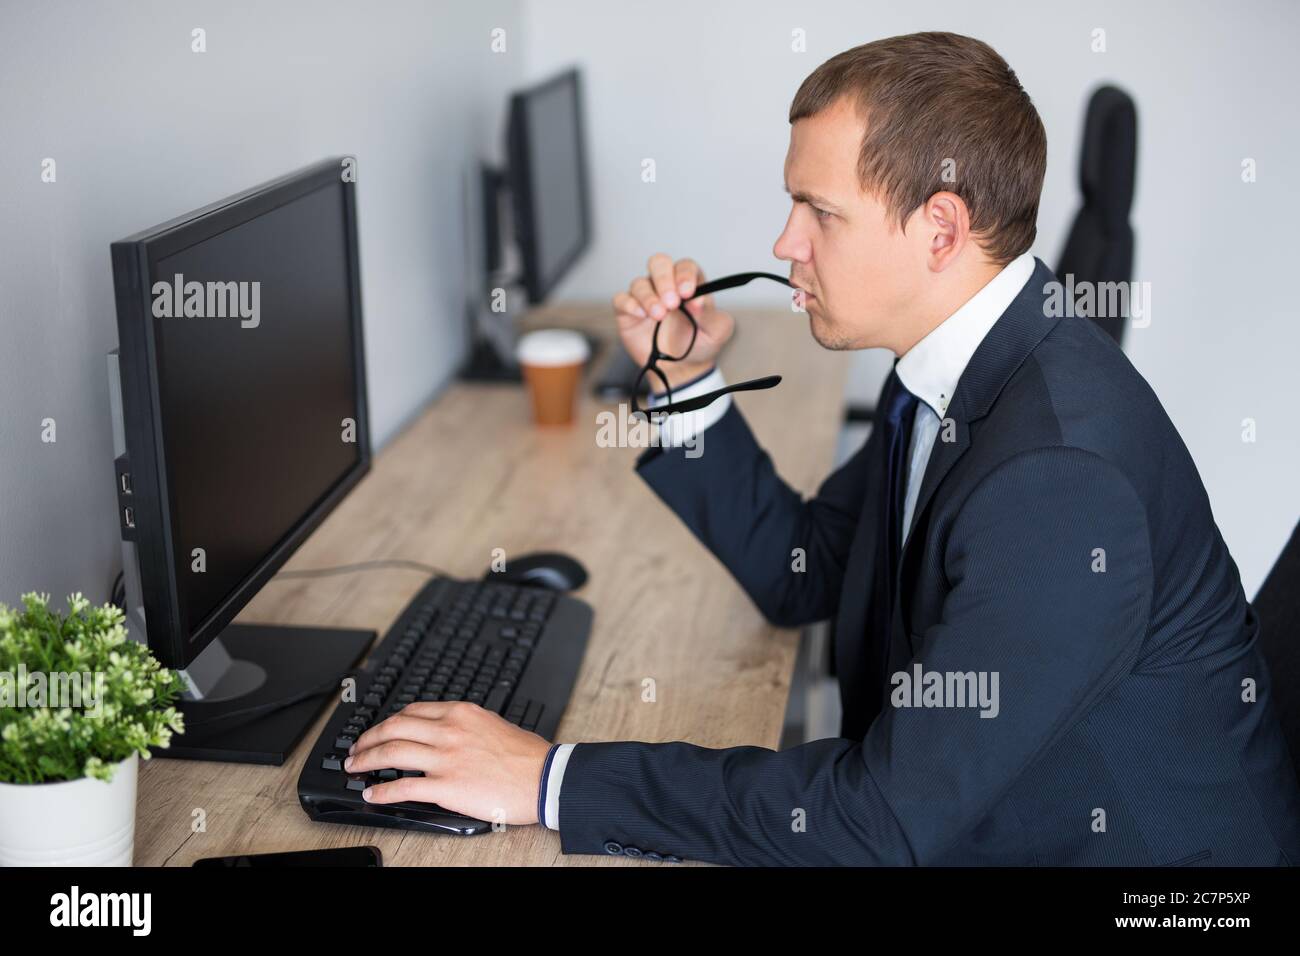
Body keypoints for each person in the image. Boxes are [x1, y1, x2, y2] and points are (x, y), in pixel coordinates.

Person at [344, 31, 1300, 865]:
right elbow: (806, 571)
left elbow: (879, 822)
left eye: (819, 211)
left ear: (940, 228)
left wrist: (550, 781)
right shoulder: (947, 364)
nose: (785, 239)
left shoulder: (1058, 479)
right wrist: (684, 385)